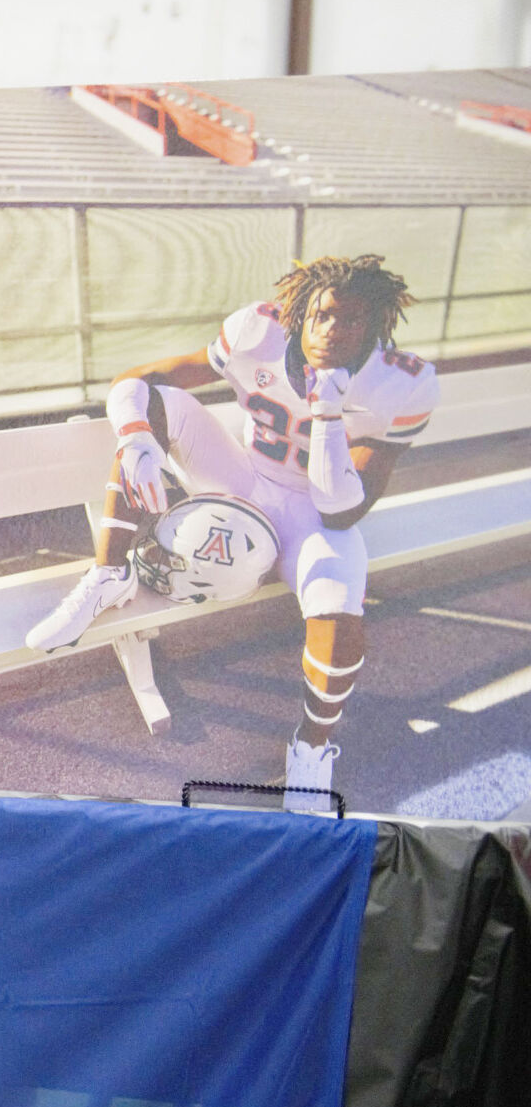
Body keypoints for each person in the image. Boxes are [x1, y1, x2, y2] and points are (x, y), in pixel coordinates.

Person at [23, 254, 439, 811]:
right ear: (300, 313)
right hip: (241, 476)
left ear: (376, 327)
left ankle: (311, 748)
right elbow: (138, 381)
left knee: (341, 626)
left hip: (313, 515)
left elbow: (341, 512)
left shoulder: (401, 384)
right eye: (322, 315)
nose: (333, 330)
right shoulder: (258, 331)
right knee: (162, 406)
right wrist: (137, 436)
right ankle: (108, 574)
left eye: (351, 320)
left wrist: (328, 412)